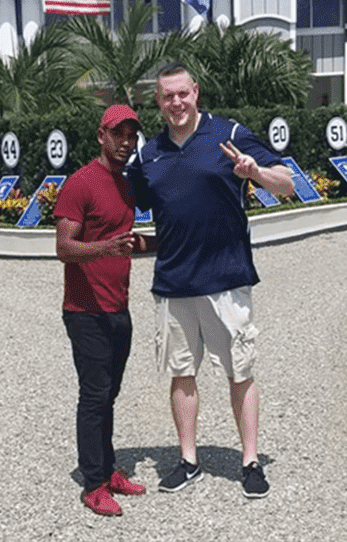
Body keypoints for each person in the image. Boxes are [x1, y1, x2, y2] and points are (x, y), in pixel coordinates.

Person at [127, 62, 295, 499]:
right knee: (181, 374)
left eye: (183, 94)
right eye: (167, 97)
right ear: (158, 102)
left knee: (240, 372)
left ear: (196, 92)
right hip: (174, 283)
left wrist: (254, 173)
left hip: (226, 279)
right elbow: (128, 203)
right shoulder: (150, 155)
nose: (176, 103)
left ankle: (251, 461)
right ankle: (188, 460)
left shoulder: (231, 135)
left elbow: (288, 185)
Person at [54, 104, 153, 517]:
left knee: (109, 395)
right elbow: (63, 248)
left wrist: (171, 242)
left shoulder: (127, 185)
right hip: (85, 310)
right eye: (118, 134)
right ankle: (93, 484)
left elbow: (127, 240)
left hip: (118, 307)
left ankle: (108, 468)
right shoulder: (80, 184)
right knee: (94, 396)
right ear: (101, 136)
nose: (125, 143)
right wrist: (103, 248)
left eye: (131, 136)